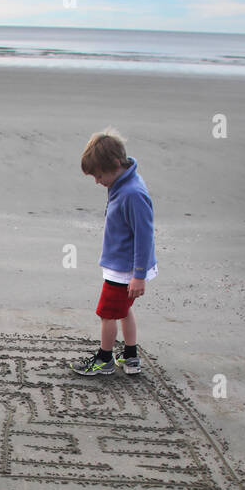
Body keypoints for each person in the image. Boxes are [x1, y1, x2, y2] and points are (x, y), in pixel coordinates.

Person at [72, 127, 158, 377]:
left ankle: (104, 359)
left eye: (99, 175)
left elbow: (145, 236)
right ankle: (130, 357)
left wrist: (139, 275)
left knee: (107, 314)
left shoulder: (132, 193)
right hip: (124, 265)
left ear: (116, 164)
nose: (98, 181)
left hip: (125, 269)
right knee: (122, 310)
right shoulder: (123, 183)